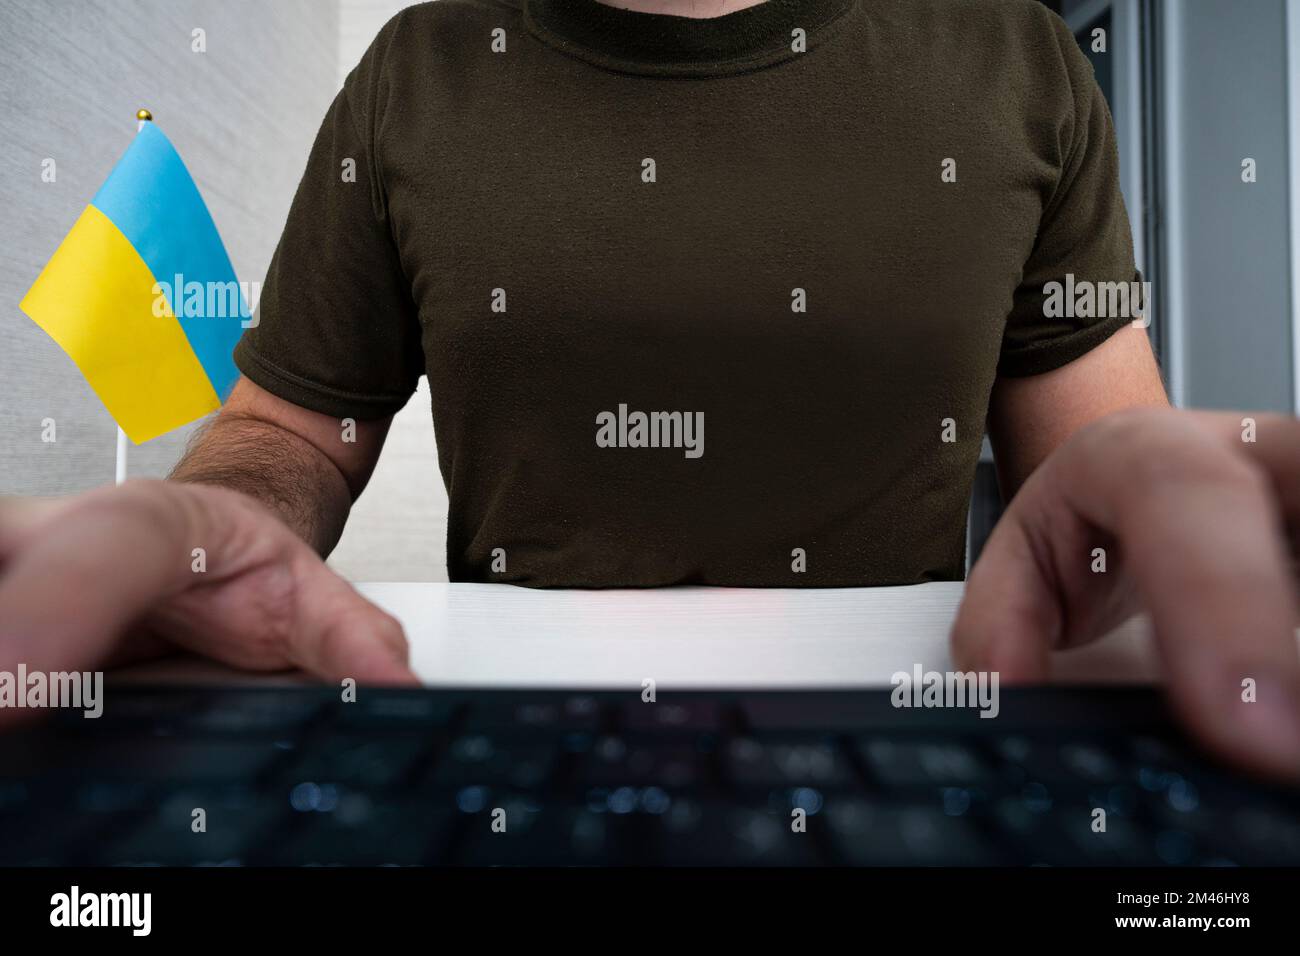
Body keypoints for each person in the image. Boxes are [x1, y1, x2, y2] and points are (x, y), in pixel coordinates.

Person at [0, 0, 1296, 778]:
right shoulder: (416, 68)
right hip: (501, 754)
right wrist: (215, 509)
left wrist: (1143, 476)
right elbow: (292, 427)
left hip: (925, 734)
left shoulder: (1016, 55)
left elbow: (1096, 465)